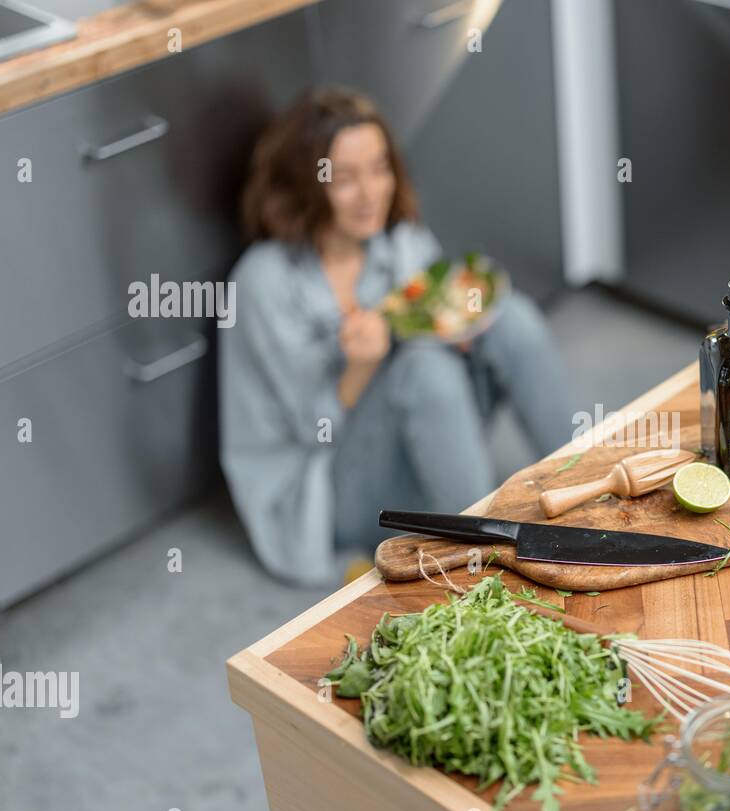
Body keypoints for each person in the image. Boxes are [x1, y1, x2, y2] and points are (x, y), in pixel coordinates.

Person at [221, 88, 576, 584]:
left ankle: (583, 493)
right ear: (304, 185)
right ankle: (482, 566)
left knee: (509, 317)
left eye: (379, 168)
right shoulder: (263, 282)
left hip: (421, 433)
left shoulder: (399, 241)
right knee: (422, 369)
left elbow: (438, 319)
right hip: (323, 490)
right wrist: (361, 366)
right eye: (344, 179)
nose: (371, 194)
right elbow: (310, 429)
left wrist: (462, 329)